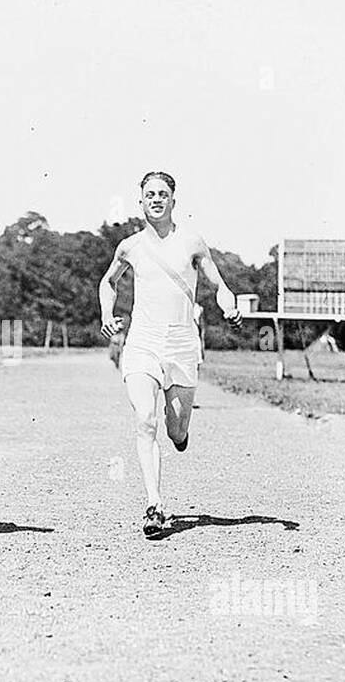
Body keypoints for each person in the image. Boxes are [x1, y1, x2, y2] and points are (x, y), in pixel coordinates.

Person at [99, 170, 241, 539]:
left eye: (163, 194)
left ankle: (179, 430)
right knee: (145, 419)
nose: (156, 199)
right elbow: (108, 282)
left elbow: (219, 287)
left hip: (181, 343)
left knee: (176, 428)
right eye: (150, 194)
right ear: (141, 201)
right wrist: (106, 314)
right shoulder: (129, 246)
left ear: (173, 201)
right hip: (143, 342)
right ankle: (154, 505)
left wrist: (230, 306)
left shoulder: (192, 243)